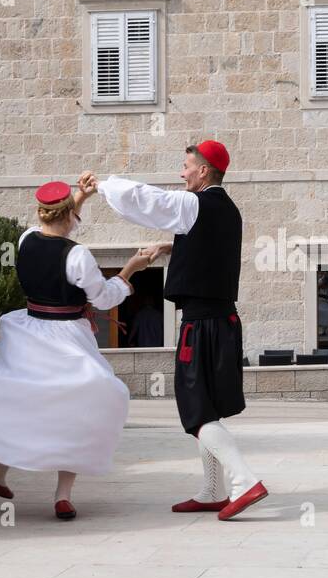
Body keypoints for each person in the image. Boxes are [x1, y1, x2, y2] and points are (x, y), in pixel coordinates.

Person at [0, 177, 157, 520]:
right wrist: (131, 269)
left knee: (28, 404)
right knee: (79, 408)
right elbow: (105, 298)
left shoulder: (25, 240)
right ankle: (62, 495)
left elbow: (59, 230)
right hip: (65, 337)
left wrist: (80, 197)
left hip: (28, 332)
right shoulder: (78, 255)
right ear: (68, 216)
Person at [96, 140, 268, 521]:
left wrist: (103, 186)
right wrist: (171, 246)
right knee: (207, 409)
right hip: (222, 320)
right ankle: (212, 490)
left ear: (204, 171)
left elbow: (149, 200)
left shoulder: (196, 205)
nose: (181, 172)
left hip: (201, 324)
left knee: (195, 412)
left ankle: (245, 481)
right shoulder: (228, 210)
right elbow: (209, 248)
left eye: (186, 165)